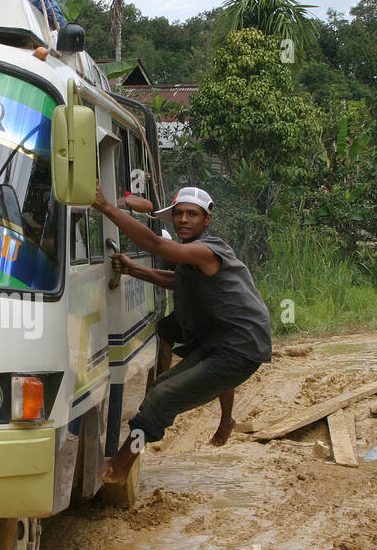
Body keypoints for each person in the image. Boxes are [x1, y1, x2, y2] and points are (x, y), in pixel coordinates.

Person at [95, 185, 271, 482]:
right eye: (178, 214)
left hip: (240, 347)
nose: (183, 220)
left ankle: (120, 467)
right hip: (219, 340)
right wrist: (133, 270)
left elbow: (156, 245)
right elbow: (176, 279)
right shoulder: (193, 258)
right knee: (159, 391)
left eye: (192, 214)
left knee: (162, 397)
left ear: (207, 221)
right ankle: (123, 462)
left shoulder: (207, 249)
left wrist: (107, 208)